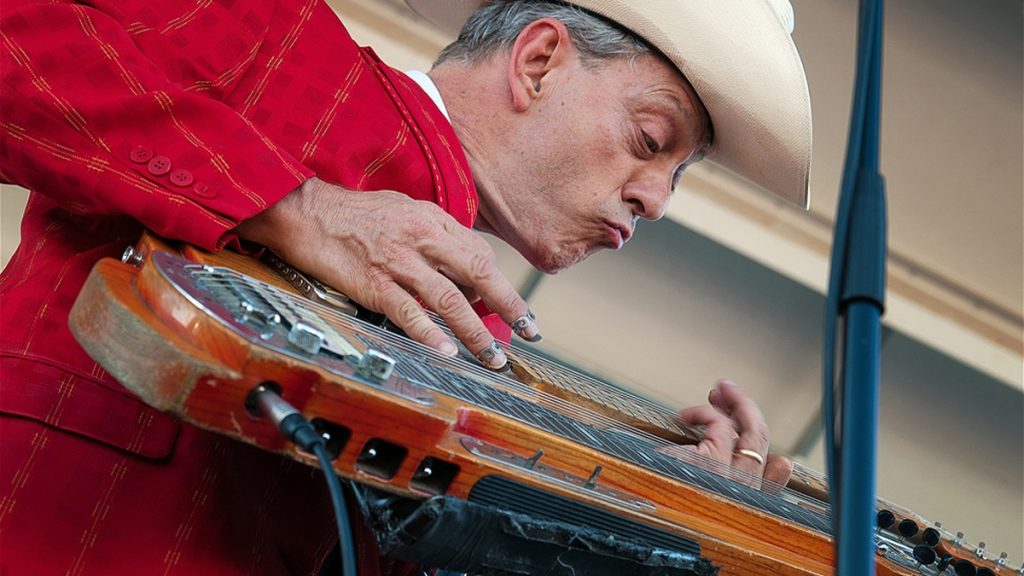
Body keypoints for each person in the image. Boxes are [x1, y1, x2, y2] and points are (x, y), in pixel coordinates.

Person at [0, 0, 811, 574]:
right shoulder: (278, 34)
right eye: (650, 138)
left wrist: (647, 520)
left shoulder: (477, 345)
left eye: (678, 176)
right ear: (538, 62)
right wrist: (296, 207)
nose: (658, 200)